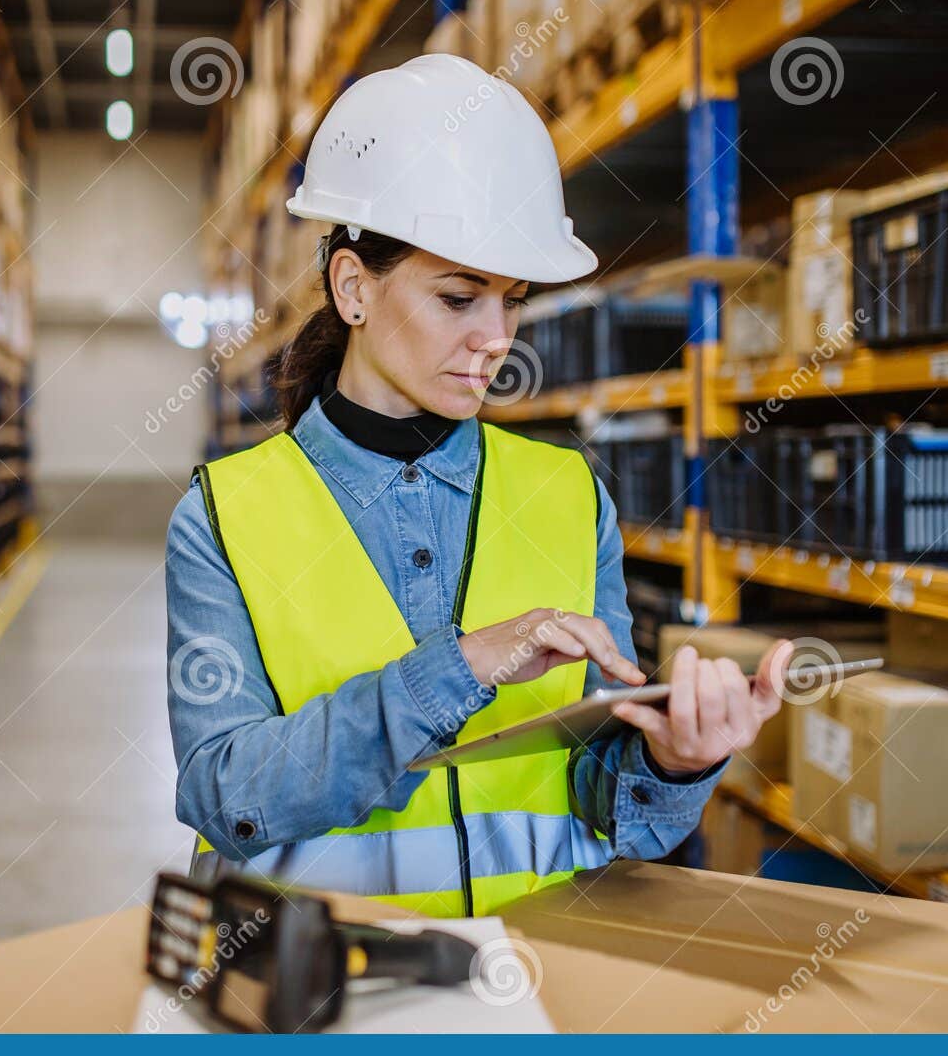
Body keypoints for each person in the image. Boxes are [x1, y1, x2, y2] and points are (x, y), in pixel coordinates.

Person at [164, 54, 794, 919]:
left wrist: (677, 760)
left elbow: (606, 804)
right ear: (353, 286)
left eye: (512, 300)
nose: (496, 338)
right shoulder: (225, 516)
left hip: (539, 987)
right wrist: (452, 670)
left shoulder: (571, 495)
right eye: (459, 297)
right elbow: (225, 793)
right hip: (322, 996)